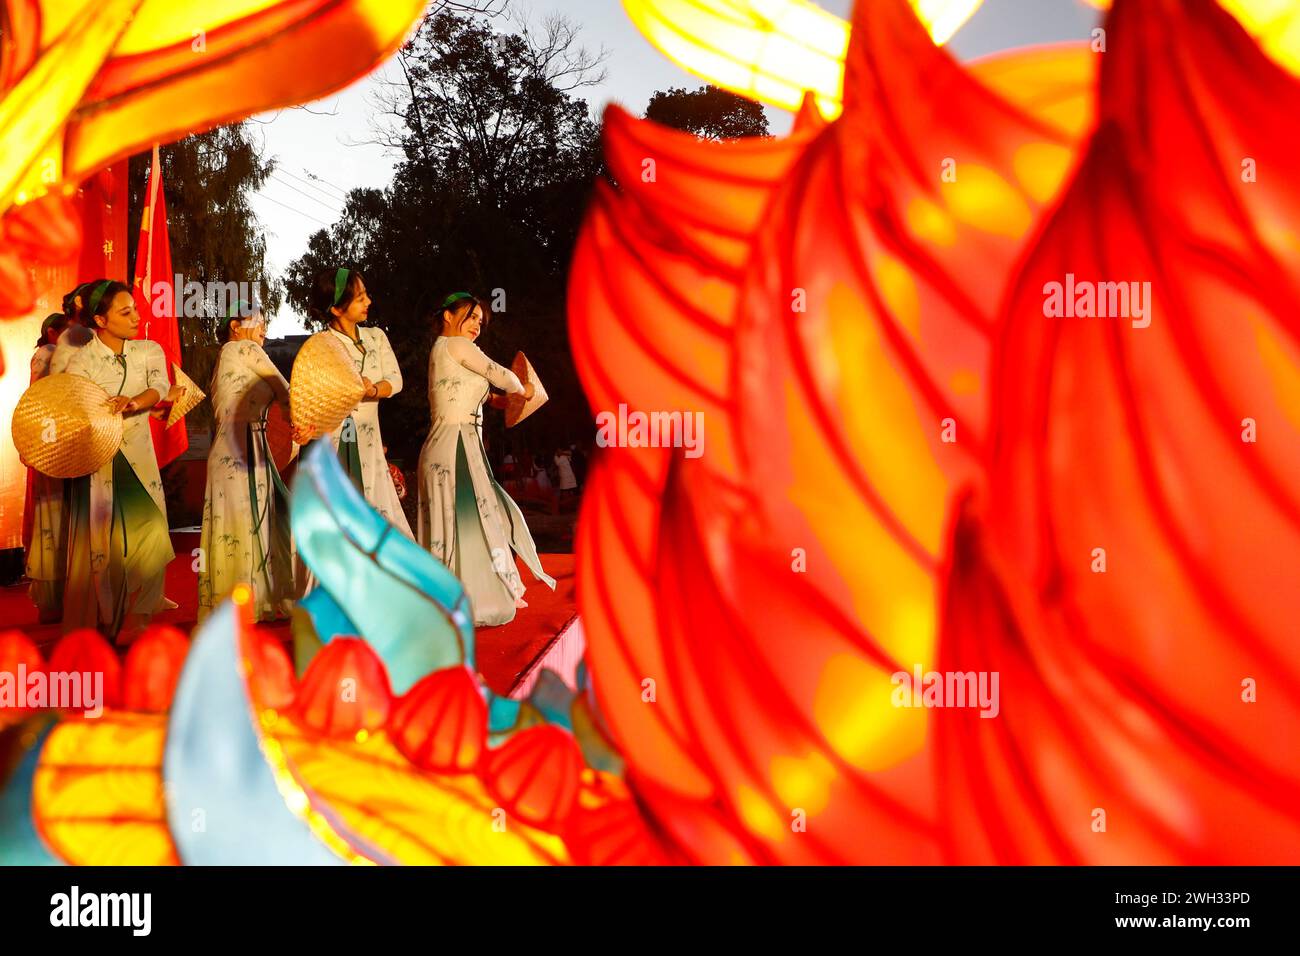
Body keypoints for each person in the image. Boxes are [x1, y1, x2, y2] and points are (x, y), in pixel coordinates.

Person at [416, 293, 555, 626]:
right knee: (473, 519)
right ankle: (475, 600)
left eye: (481, 320)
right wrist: (525, 390)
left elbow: (469, 388)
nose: (478, 324)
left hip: (451, 444)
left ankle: (455, 598)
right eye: (472, 316)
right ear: (448, 315)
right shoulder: (458, 345)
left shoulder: (444, 350)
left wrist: (496, 400)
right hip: (456, 445)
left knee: (462, 521)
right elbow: (499, 374)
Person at [62, 281, 184, 640]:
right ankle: (109, 621)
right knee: (108, 545)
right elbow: (73, 407)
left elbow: (160, 387)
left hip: (140, 456)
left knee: (152, 533)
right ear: (100, 319)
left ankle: (140, 616)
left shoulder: (148, 349)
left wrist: (132, 402)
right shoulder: (81, 362)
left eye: (135, 309)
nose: (136, 317)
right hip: (101, 459)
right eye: (125, 311)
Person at [198, 303, 301, 622]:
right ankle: (255, 601)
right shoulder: (244, 348)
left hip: (233, 448)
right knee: (256, 522)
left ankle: (238, 601)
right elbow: (284, 390)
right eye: (258, 321)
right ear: (235, 324)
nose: (265, 329)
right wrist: (311, 418)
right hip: (244, 447)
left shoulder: (226, 354)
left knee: (235, 525)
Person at [296, 267, 411, 537]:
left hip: (369, 442)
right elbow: (308, 397)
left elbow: (396, 380)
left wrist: (373, 390)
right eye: (360, 298)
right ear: (336, 309)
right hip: (335, 441)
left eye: (366, 295)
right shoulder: (320, 345)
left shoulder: (376, 337)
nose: (368, 301)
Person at [23, 313, 70, 622]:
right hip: (51, 440)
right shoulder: (47, 354)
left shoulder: (48, 354)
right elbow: (42, 399)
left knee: (55, 518)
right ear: (52, 332)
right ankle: (52, 600)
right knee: (53, 519)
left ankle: (57, 599)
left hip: (55, 439)